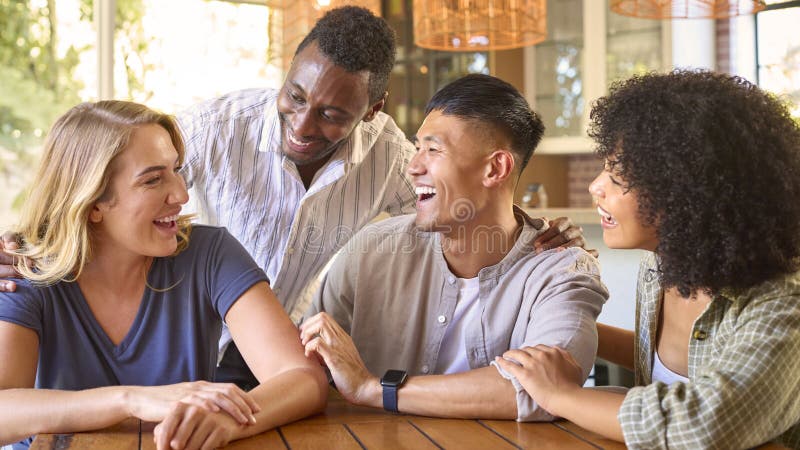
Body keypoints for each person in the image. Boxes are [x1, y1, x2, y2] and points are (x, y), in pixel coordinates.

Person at [0, 6, 585, 389]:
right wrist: (25, 244)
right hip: (189, 338)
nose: (303, 124)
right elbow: (107, 175)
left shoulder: (388, 157)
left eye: (332, 114)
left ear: (372, 111)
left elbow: (454, 204)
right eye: (295, 95)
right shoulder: (214, 125)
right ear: (286, 74)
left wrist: (527, 227)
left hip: (279, 349)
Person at [494, 70, 800, 449]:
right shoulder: (659, 270)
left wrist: (561, 395)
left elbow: (708, 423)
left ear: (686, 191)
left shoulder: (783, 305)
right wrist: (563, 319)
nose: (596, 186)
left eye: (618, 176)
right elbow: (662, 366)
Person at [0, 101, 327, 450]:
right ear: (93, 202)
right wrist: (129, 400)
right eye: (153, 179)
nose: (182, 195)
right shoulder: (24, 269)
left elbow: (303, 378)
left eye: (176, 170)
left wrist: (231, 418)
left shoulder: (210, 255)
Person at [299, 74, 608, 421]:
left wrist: (374, 388)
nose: (413, 167)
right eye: (417, 148)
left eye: (433, 150)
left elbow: (548, 391)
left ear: (495, 168)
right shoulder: (371, 250)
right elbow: (303, 365)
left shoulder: (560, 270)